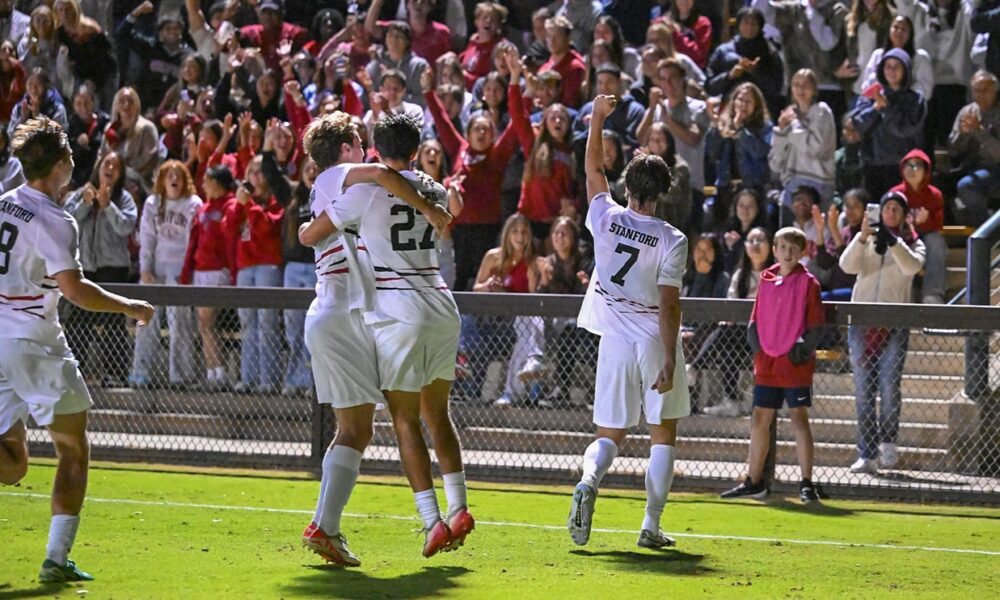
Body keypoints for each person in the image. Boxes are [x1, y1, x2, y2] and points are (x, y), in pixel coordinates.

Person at [305, 112, 473, 558]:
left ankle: (430, 521)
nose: (364, 152)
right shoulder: (431, 187)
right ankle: (459, 508)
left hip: (385, 310)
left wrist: (304, 228)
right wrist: (430, 206)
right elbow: (441, 203)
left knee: (389, 422)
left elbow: (311, 234)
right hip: (438, 303)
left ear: (378, 149)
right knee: (430, 416)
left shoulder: (360, 191)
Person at [0, 116, 154, 582]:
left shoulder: (4, 202)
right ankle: (56, 559)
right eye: (68, 153)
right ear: (59, 165)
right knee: (73, 449)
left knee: (12, 464)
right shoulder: (54, 218)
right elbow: (75, 289)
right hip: (33, 342)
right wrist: (129, 306)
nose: (73, 158)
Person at [567, 95, 689, 549]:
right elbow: (669, 305)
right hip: (653, 337)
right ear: (662, 193)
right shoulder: (672, 239)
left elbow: (592, 170)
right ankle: (650, 526)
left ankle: (588, 480)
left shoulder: (605, 214)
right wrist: (670, 359)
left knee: (610, 433)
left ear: (628, 186)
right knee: (663, 433)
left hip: (614, 336)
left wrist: (597, 118)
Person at [719, 227, 824, 503]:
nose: (788, 253)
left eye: (794, 248)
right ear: (775, 250)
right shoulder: (766, 279)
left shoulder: (809, 283)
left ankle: (806, 482)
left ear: (802, 252)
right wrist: (758, 348)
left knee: (798, 418)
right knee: (760, 419)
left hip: (794, 364)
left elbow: (815, 325)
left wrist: (799, 352)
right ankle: (753, 481)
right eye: (783, 247)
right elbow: (755, 319)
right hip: (767, 363)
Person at [839, 191, 926, 473]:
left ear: (904, 216)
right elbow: (846, 266)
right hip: (862, 323)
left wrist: (894, 241)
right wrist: (862, 237)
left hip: (894, 323)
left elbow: (911, 267)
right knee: (864, 389)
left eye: (896, 209)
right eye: (886, 208)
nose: (890, 213)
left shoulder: (913, 243)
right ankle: (867, 453)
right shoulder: (865, 239)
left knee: (889, 385)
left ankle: (888, 442)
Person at [63, 151, 138, 387]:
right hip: (84, 266)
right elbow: (66, 221)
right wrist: (86, 204)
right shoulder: (81, 193)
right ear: (99, 166)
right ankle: (73, 373)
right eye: (107, 163)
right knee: (78, 319)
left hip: (113, 267)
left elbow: (126, 227)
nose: (110, 168)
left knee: (113, 319)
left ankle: (116, 375)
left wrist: (108, 206)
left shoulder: (124, 198)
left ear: (121, 173)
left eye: (116, 166)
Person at [130, 160, 202, 388]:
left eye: (178, 174)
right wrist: (145, 268)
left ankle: (181, 376)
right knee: (145, 320)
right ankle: (141, 374)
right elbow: (147, 238)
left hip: (180, 270)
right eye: (169, 174)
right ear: (161, 179)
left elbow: (194, 241)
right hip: (155, 267)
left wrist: (188, 273)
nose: (174, 178)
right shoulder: (152, 203)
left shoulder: (194, 203)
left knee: (180, 323)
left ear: (185, 180)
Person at [178, 165, 237, 389]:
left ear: (217, 182)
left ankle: (219, 374)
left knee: (206, 323)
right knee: (203, 325)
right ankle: (212, 373)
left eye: (207, 180)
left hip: (217, 270)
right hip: (200, 271)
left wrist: (233, 272)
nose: (203, 184)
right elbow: (193, 242)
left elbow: (230, 239)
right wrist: (186, 272)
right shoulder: (203, 208)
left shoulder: (229, 204)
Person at [848, 48, 926, 201]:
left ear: (906, 70)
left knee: (897, 208)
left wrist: (887, 108)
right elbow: (858, 124)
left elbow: (904, 129)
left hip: (901, 167)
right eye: (888, 66)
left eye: (897, 66)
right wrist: (875, 108)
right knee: (873, 211)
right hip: (872, 165)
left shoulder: (915, 100)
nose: (892, 71)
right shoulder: (872, 94)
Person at [769, 69, 837, 208]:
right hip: (792, 184)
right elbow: (776, 163)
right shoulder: (789, 114)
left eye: (805, 85)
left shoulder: (821, 111)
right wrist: (781, 131)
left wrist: (795, 124)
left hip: (818, 183)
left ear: (814, 89)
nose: (800, 89)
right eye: (796, 84)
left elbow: (814, 149)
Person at [888, 149, 946, 304]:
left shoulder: (935, 195)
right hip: (902, 237)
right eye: (908, 165)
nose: (912, 170)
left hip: (926, 237)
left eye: (917, 166)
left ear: (926, 171)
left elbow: (938, 225)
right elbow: (889, 223)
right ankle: (900, 294)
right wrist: (910, 226)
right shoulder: (895, 193)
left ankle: (932, 295)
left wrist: (924, 222)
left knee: (936, 241)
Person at [950, 71, 1000, 227]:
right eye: (977, 90)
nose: (980, 95)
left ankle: (986, 229)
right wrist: (963, 134)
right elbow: (953, 150)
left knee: (967, 185)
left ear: (995, 91)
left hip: (994, 168)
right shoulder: (966, 112)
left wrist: (978, 131)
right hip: (968, 166)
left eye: (986, 90)